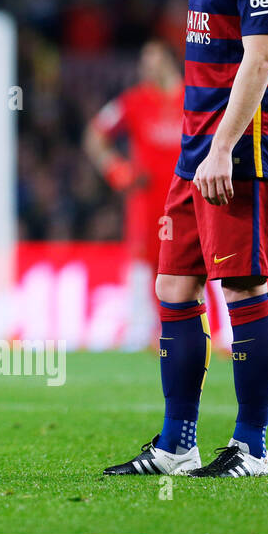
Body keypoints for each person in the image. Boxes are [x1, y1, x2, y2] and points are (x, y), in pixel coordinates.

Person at [105, 0, 268, 478]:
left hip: (239, 153)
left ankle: (251, 447)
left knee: (240, 287)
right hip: (197, 153)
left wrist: (221, 149)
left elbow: (262, 58)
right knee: (172, 286)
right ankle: (176, 443)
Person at [84, 39, 185, 350]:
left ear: (169, 60)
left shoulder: (196, 99)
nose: (147, 66)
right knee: (143, 265)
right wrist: (116, 169)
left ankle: (207, 332)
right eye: (144, 60)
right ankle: (141, 334)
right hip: (147, 202)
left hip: (190, 200)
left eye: (152, 58)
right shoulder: (133, 101)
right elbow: (95, 133)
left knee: (198, 265)